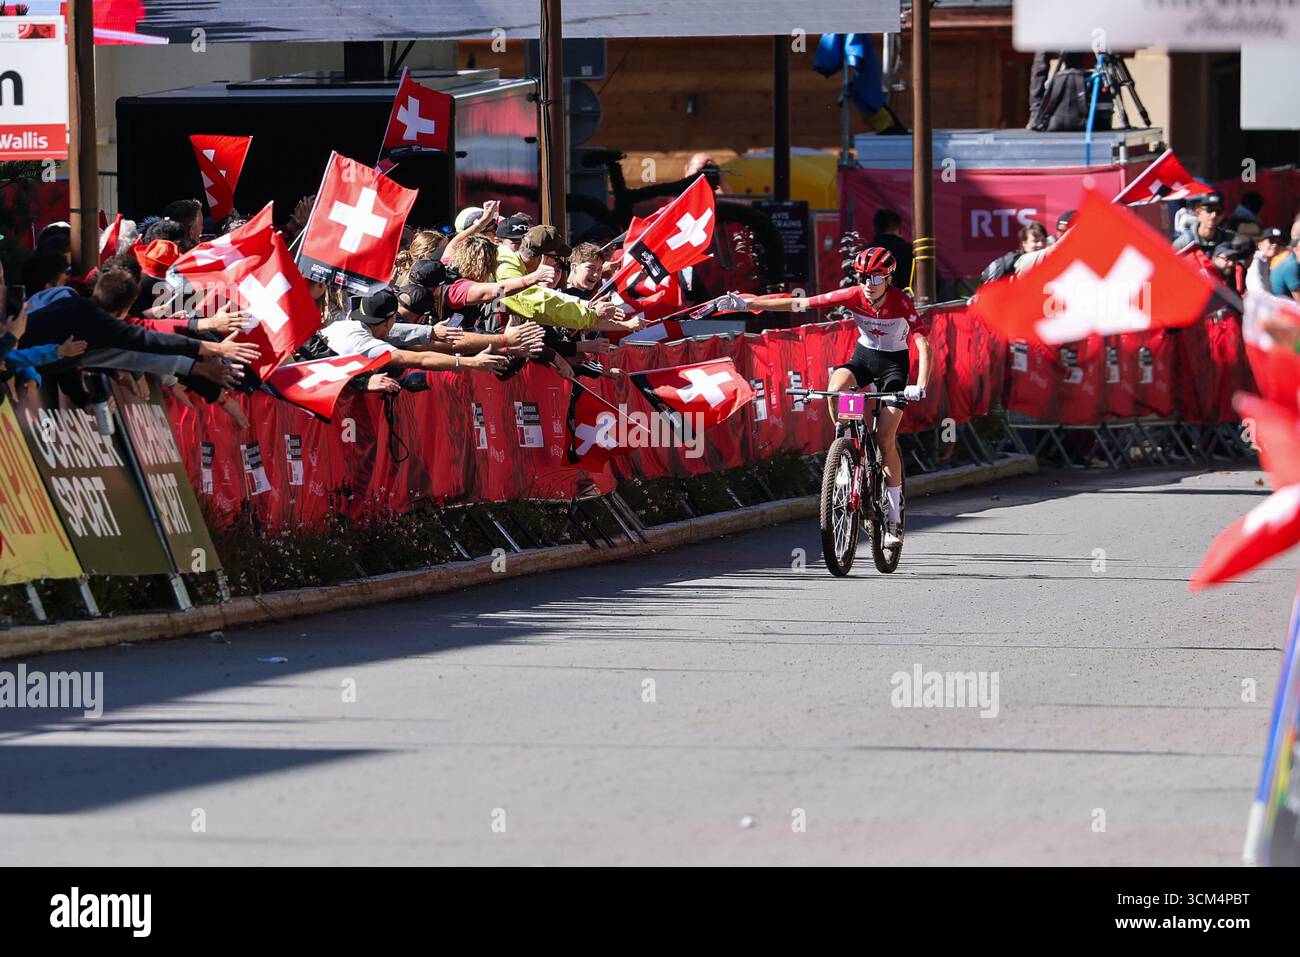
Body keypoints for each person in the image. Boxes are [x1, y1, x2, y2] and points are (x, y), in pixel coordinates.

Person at [752, 247, 931, 547]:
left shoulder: (901, 301)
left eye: (875, 276)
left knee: (885, 438)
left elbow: (923, 344)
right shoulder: (852, 295)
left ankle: (894, 519)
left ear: (889, 277)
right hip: (863, 359)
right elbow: (801, 303)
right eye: (863, 276)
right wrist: (749, 303)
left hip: (894, 368)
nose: (868, 283)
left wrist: (920, 384)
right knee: (835, 389)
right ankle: (845, 449)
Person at [318, 288, 511, 374]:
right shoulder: (363, 342)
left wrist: (431, 331)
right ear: (391, 319)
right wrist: (473, 362)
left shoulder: (347, 325)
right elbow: (419, 360)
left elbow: (402, 333)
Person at [982, 221, 1047, 284]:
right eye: (1036, 241)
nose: (1041, 244)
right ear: (1024, 243)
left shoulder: (1047, 262)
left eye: (1044, 240)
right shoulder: (1012, 264)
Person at [871, 209, 913, 290]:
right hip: (905, 299)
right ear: (896, 227)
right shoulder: (907, 250)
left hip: (874, 300)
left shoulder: (867, 252)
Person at [1247, 228, 1285, 296]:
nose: (1275, 245)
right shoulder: (1255, 261)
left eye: (1278, 242)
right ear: (1260, 245)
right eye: (1271, 241)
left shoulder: (1271, 261)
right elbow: (1257, 291)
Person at [1272, 231, 1300, 303]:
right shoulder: (1292, 266)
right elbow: (1298, 300)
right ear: (1296, 250)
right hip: (1283, 307)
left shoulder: (1293, 259)